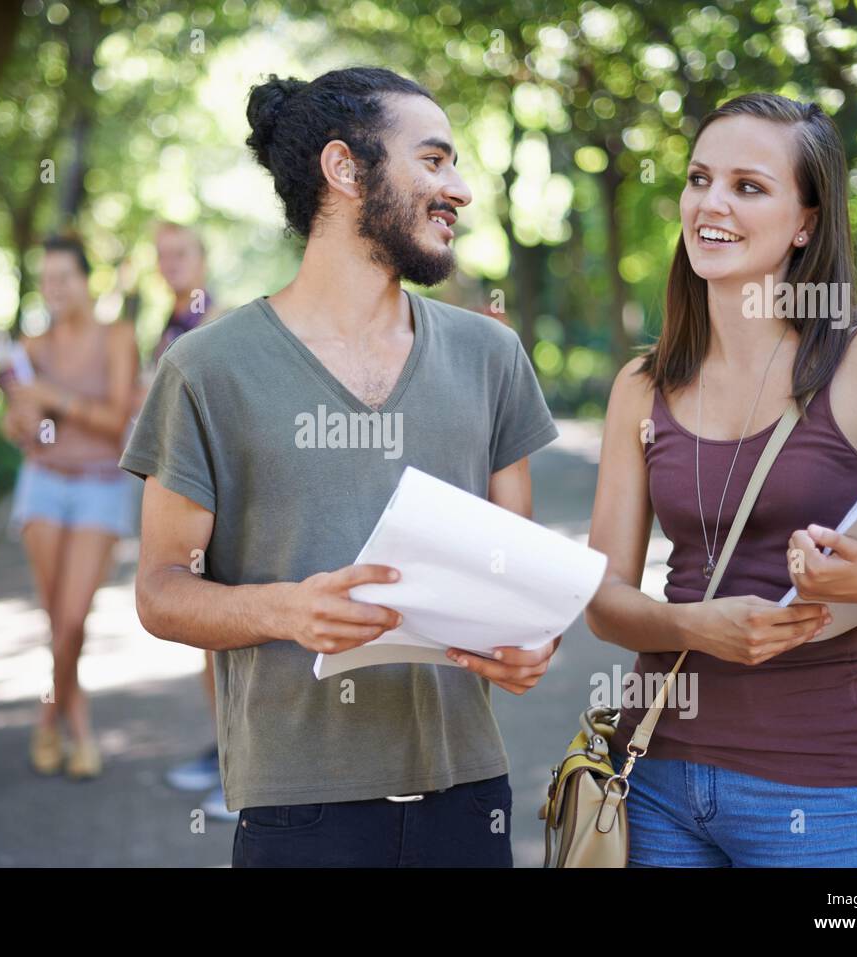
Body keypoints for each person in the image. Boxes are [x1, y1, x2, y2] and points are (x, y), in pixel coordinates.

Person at [124, 67, 561, 867]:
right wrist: (287, 610)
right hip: (299, 811)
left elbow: (513, 582)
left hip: (469, 797)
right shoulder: (207, 370)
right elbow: (160, 590)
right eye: (433, 160)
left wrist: (529, 640)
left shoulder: (491, 356)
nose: (459, 189)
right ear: (345, 169)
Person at [585, 93, 857, 867]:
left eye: (749, 186)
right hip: (654, 773)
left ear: (805, 222)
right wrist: (694, 627)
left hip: (816, 787)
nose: (712, 203)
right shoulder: (642, 383)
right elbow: (602, 600)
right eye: (700, 179)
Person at [1, 236, 139, 780]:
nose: (54, 288)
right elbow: (19, 426)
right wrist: (21, 422)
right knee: (56, 618)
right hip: (42, 484)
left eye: (64, 277)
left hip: (100, 486)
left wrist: (55, 399)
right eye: (47, 279)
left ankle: (47, 722)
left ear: (86, 280)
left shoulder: (117, 337)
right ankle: (79, 734)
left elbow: (116, 423)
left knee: (74, 619)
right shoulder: (30, 348)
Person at [148, 222, 233, 820]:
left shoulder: (218, 321)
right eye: (162, 254)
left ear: (203, 258)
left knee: (223, 633)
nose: (170, 262)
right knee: (207, 637)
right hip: (181, 495)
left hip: (216, 500)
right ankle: (224, 750)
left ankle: (243, 770)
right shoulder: (169, 325)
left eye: (180, 253)